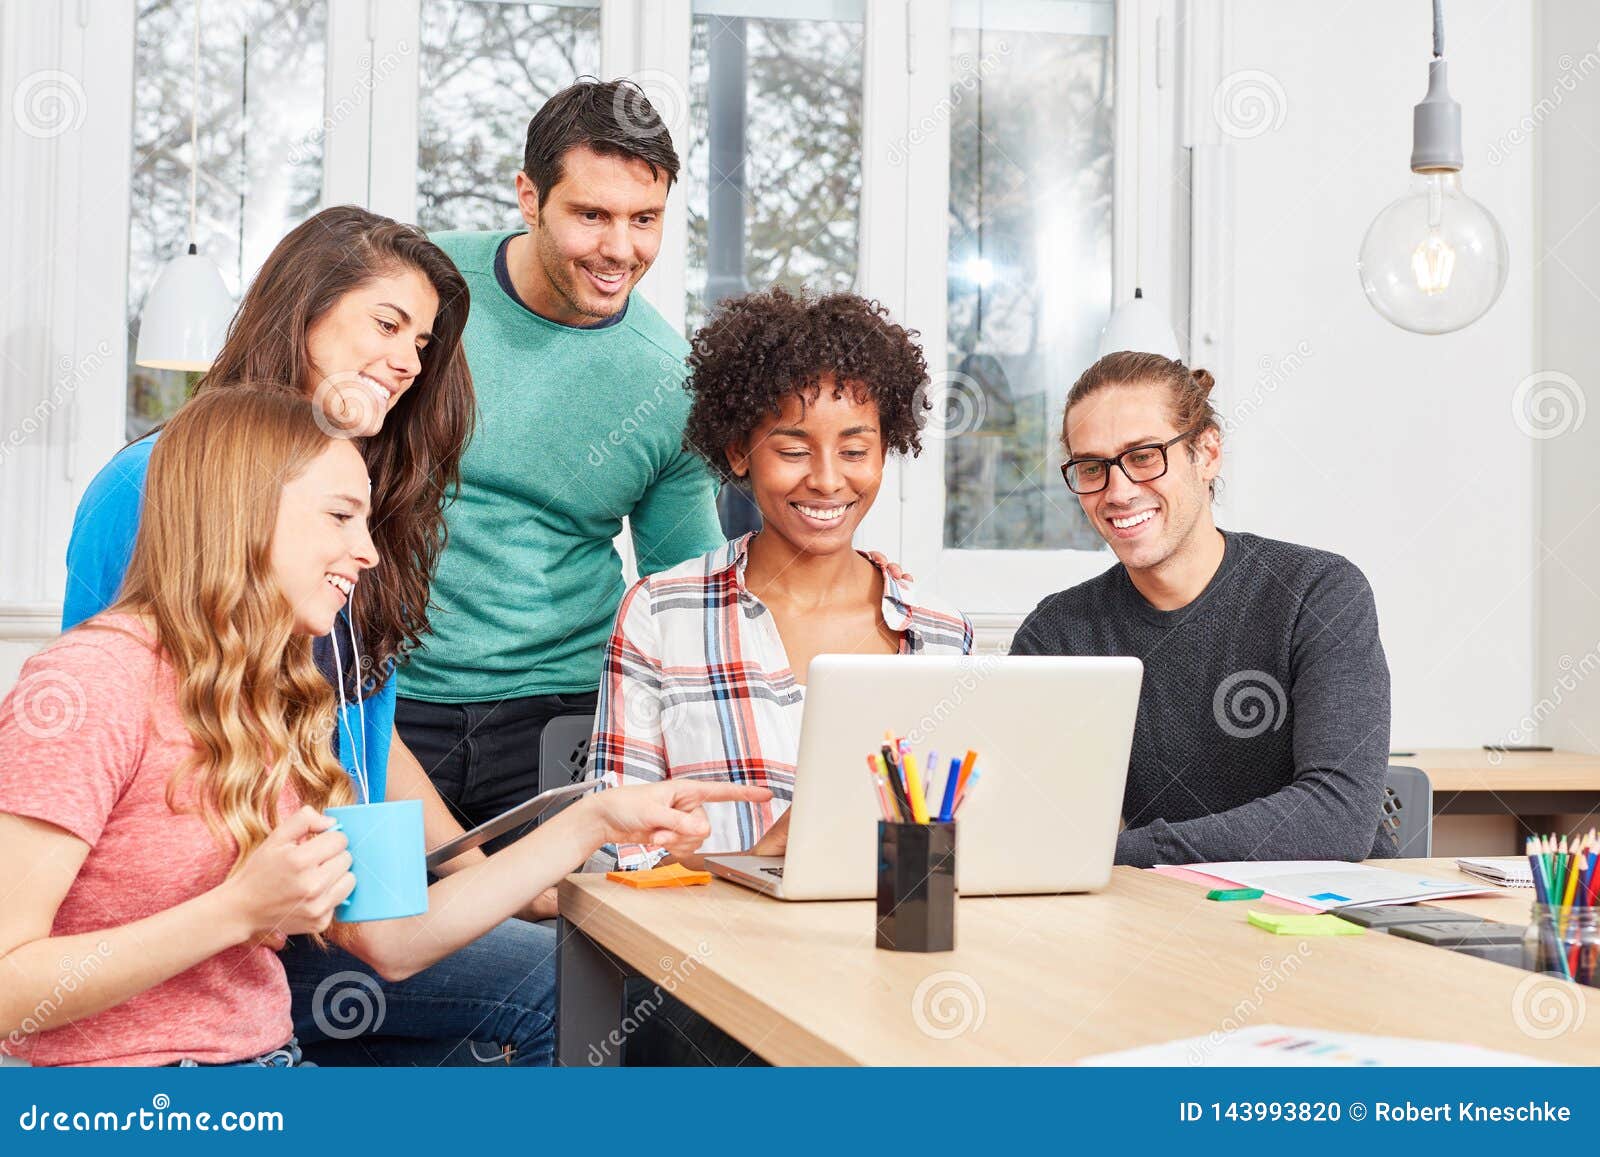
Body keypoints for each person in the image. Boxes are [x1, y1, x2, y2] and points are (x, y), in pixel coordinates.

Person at [0, 388, 768, 1067]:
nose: (366, 553)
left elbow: (394, 941)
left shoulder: (280, 694)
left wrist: (593, 819)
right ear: (239, 512)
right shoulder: (89, 684)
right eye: (340, 515)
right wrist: (237, 910)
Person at [60, 206, 559, 1065]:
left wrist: (471, 868)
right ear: (302, 311)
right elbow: (108, 733)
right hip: (219, 930)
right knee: (558, 983)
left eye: (424, 343)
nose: (408, 360)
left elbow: (362, 736)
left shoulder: (361, 504)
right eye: (388, 322)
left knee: (556, 967)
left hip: (329, 894)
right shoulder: (152, 485)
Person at [393, 78, 726, 839]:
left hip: (561, 712)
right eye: (591, 215)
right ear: (528, 197)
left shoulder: (670, 382)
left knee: (561, 949)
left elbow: (686, 592)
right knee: (374, 938)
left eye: (645, 219)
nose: (620, 249)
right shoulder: (422, 292)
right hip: (388, 699)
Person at [589, 287, 972, 869]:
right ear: (740, 451)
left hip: (895, 945)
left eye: (854, 450)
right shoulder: (662, 614)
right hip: (712, 950)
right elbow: (615, 857)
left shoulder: (942, 634)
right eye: (793, 450)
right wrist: (752, 862)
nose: (826, 480)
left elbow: (962, 851)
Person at [1010, 351, 1392, 867]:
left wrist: (1117, 853)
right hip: (1171, 915)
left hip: (1333, 918)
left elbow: (1335, 819)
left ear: (1206, 453)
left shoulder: (1318, 592)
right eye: (1092, 467)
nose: (1118, 492)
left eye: (1144, 456)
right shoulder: (1057, 636)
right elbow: (1033, 828)